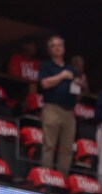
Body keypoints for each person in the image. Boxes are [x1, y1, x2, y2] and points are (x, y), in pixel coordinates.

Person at [37, 34, 81, 177]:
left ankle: (61, 179)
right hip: (52, 108)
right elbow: (44, 84)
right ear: (49, 50)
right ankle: (46, 177)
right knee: (49, 145)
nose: (57, 48)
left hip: (69, 111)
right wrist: (62, 76)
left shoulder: (71, 69)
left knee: (67, 149)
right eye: (53, 46)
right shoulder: (46, 65)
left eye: (59, 45)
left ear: (64, 48)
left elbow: (76, 93)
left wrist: (80, 86)